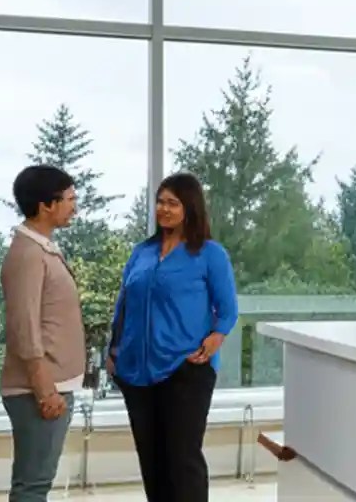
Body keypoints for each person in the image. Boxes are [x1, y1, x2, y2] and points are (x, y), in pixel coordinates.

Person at [107, 172, 238, 502]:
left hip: (186, 369)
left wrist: (215, 339)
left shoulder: (210, 254)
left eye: (172, 203)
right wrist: (113, 352)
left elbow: (228, 310)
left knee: (183, 461)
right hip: (136, 372)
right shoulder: (142, 253)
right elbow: (123, 304)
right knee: (152, 462)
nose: (163, 209)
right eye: (160, 202)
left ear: (190, 207)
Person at [1, 165, 86, 501]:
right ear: (46, 205)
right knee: (33, 484)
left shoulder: (42, 248)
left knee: (37, 480)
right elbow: (24, 327)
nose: (74, 207)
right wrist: (44, 390)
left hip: (51, 383)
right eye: (68, 199)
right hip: (39, 387)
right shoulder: (28, 254)